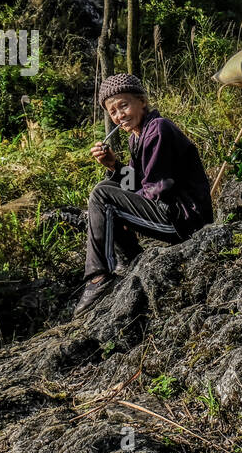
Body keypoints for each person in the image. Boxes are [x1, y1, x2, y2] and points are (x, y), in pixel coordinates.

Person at [75, 73, 213, 317]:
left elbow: (157, 186)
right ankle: (129, 261)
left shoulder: (158, 129)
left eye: (124, 106)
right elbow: (133, 184)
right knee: (107, 190)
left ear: (142, 102)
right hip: (167, 213)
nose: (120, 115)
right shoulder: (136, 138)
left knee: (102, 194)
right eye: (113, 111)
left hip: (183, 218)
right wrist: (114, 166)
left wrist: (126, 212)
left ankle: (98, 278)